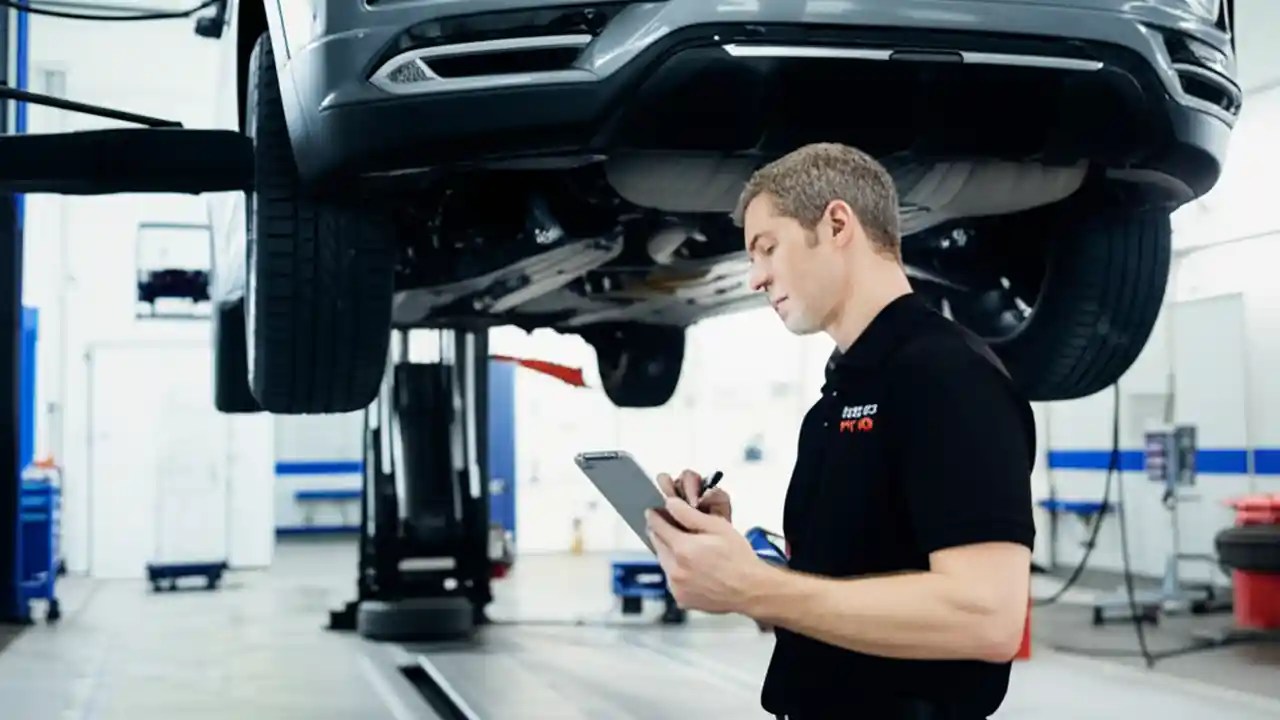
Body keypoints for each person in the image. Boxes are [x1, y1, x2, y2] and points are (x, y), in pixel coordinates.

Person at [645, 142, 1036, 720]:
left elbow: (988, 618)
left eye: (767, 249)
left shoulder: (948, 376)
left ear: (835, 224)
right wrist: (731, 564)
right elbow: (838, 589)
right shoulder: (840, 396)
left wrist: (755, 587)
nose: (755, 278)